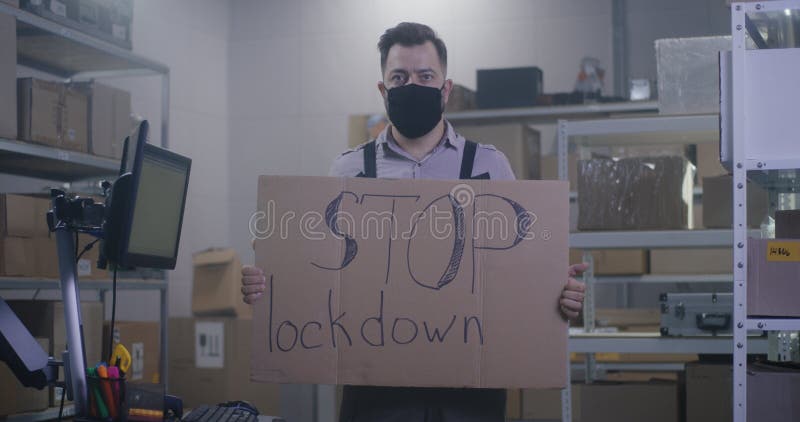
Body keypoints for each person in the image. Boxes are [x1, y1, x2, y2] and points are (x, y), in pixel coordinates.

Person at [241, 22, 587, 422]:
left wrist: (559, 294)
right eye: (399, 78)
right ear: (383, 91)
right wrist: (269, 285)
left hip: (470, 392)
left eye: (425, 77)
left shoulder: (490, 166)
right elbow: (316, 271)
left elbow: (517, 270)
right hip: (375, 392)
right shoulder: (349, 169)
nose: (413, 85)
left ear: (445, 88)